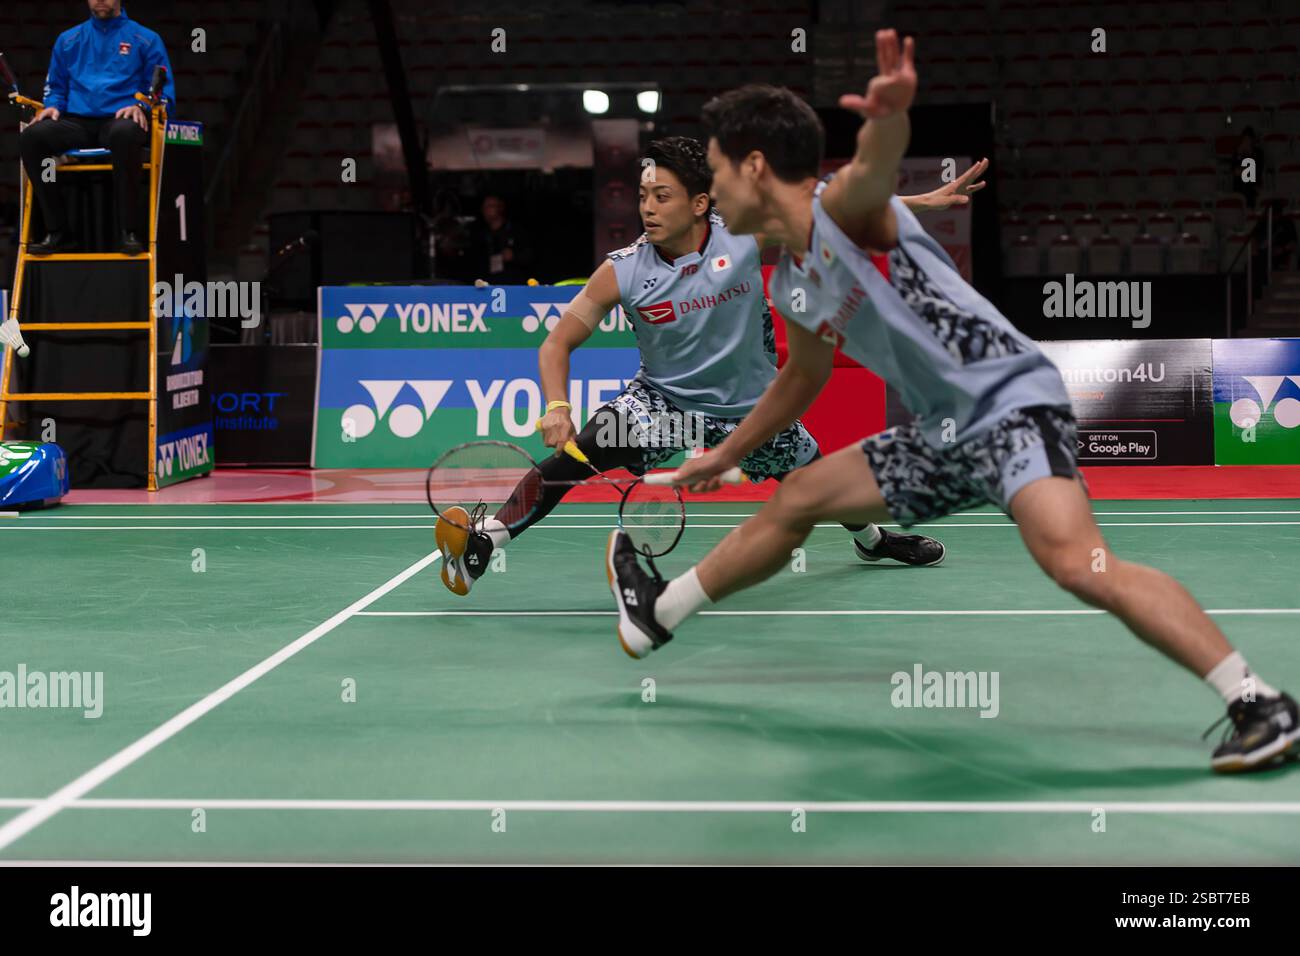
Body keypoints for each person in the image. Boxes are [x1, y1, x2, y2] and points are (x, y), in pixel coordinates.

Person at [604, 32, 1296, 774]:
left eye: (713, 172)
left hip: (1007, 407)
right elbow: (799, 383)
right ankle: (659, 610)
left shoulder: (844, 211)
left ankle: (1258, 702)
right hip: (939, 433)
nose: (709, 192)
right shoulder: (789, 282)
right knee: (800, 497)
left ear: (754, 167)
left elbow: (872, 166)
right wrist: (729, 453)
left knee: (1080, 565)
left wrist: (892, 117)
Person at [434, 135, 987, 596]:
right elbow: (556, 345)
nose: (647, 207)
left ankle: (872, 541)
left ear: (700, 204)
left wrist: (925, 202)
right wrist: (557, 405)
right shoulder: (621, 271)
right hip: (661, 407)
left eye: (663, 196)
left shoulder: (744, 236)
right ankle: (485, 540)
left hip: (752, 413)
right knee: (576, 455)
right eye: (645, 195)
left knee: (820, 486)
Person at [20, 0, 176, 256]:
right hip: (77, 121)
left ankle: (129, 231)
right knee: (32, 138)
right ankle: (58, 231)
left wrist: (145, 106)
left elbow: (163, 91)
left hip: (122, 117)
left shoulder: (146, 39)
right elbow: (56, 87)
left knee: (124, 134)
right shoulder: (68, 40)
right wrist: (52, 105)